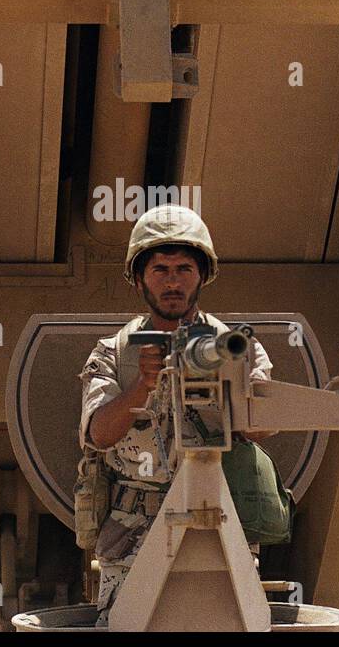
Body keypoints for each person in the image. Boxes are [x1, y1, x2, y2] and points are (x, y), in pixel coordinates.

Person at [77, 204, 274, 620]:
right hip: (133, 534)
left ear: (202, 276)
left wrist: (235, 390)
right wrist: (141, 385)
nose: (172, 281)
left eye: (184, 269)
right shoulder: (113, 352)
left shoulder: (236, 346)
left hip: (217, 528)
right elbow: (98, 434)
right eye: (160, 269)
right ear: (139, 279)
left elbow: (264, 427)